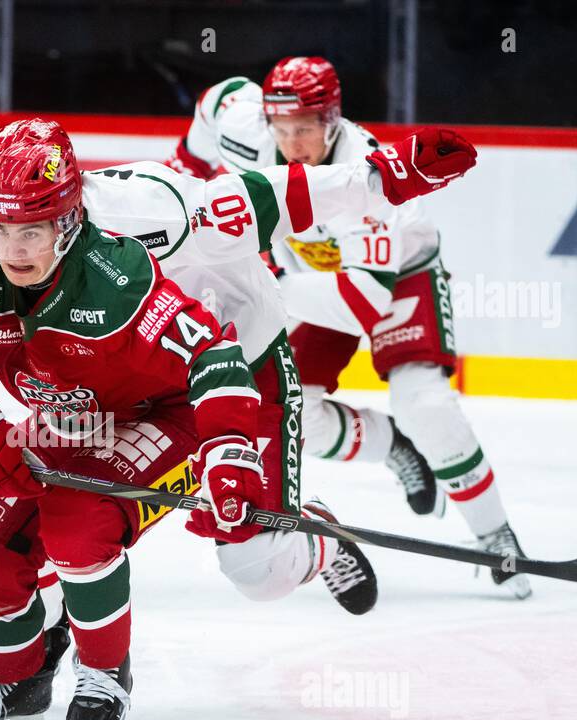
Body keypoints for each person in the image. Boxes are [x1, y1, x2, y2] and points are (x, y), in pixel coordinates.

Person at [0, 121, 476, 720]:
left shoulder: (152, 217)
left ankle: (311, 534)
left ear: (72, 216)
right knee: (17, 526)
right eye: (0, 226)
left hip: (227, 370)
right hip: (99, 390)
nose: (13, 248)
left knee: (258, 569)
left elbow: (271, 195)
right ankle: (25, 668)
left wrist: (388, 175)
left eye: (34, 228)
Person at [172, 57, 531, 598]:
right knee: (299, 412)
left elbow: (363, 303)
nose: (294, 143)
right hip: (313, 281)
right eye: (283, 129)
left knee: (424, 402)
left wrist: (264, 285)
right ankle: (394, 447)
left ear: (333, 119)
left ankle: (495, 535)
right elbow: (207, 117)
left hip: (396, 277)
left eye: (307, 129)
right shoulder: (240, 120)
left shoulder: (366, 173)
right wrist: (186, 193)